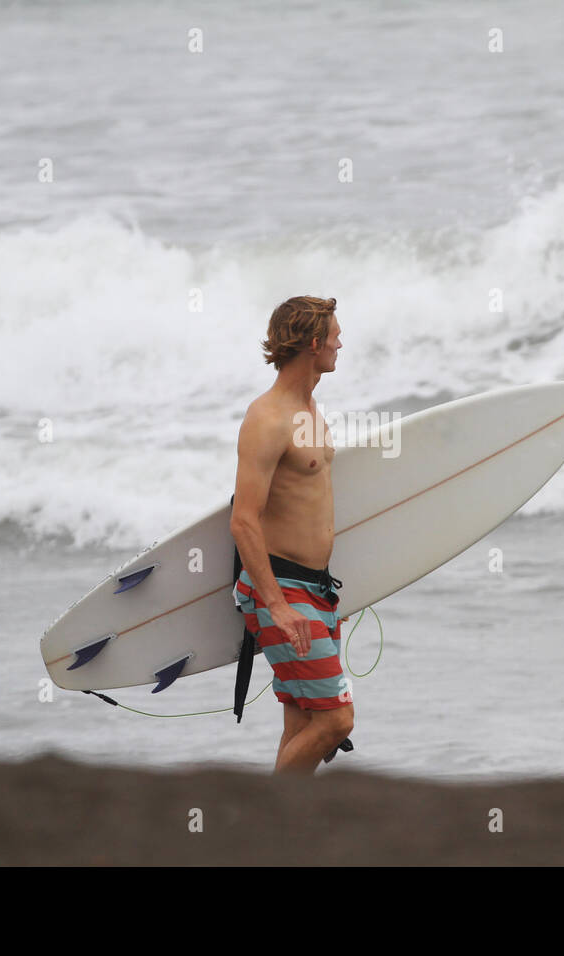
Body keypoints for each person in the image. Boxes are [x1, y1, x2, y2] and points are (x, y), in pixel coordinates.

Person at [230, 295, 353, 775]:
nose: (341, 343)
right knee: (336, 720)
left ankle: (280, 840)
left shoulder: (309, 407)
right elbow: (244, 519)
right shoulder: (268, 419)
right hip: (282, 592)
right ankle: (266, 825)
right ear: (315, 343)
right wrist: (276, 605)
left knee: (304, 722)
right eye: (335, 335)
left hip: (316, 588)